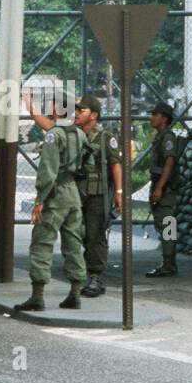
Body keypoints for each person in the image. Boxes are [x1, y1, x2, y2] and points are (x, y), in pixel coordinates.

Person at [17, 95, 87, 312]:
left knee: (42, 243)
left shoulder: (53, 136)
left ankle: (37, 296)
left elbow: (47, 171)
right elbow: (88, 162)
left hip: (55, 196)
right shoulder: (79, 134)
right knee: (74, 243)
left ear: (58, 109)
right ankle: (75, 293)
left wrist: (40, 200)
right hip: (72, 194)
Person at [71, 94, 122, 298]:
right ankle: (81, 273)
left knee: (95, 236)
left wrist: (119, 192)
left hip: (97, 195)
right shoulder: (74, 135)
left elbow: (115, 164)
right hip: (76, 193)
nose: (76, 113)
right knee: (78, 234)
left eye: (81, 110)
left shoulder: (104, 137)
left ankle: (96, 277)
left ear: (93, 115)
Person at [146, 101, 180, 278]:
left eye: (155, 114)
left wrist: (159, 188)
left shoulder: (167, 138)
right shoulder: (161, 137)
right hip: (161, 186)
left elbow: (170, 162)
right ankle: (168, 262)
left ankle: (169, 264)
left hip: (166, 189)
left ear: (164, 118)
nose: (151, 118)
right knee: (165, 225)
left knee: (168, 225)